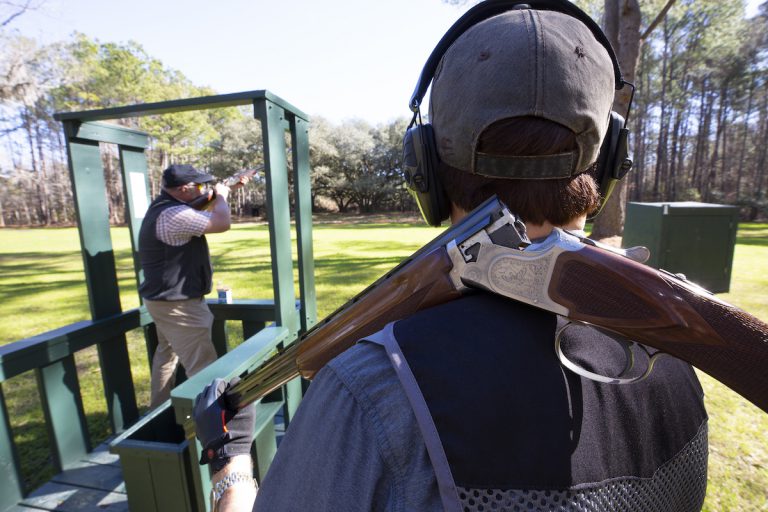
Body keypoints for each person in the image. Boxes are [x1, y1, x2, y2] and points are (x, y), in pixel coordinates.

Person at [194, 3, 708, 511]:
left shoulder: (368, 388)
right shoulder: (674, 345)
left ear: (426, 172)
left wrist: (230, 461)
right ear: (612, 159)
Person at [139, 163, 247, 408]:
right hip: (179, 306)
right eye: (199, 185)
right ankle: (208, 431)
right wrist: (221, 195)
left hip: (165, 302)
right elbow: (221, 223)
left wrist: (226, 190)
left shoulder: (165, 208)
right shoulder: (173, 215)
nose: (203, 189)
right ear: (184, 189)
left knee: (166, 357)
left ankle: (158, 416)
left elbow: (197, 211)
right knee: (203, 370)